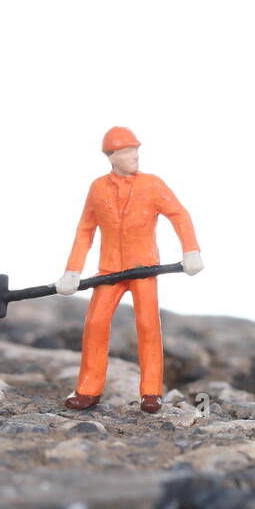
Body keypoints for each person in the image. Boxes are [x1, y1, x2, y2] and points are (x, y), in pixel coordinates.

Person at [57, 126, 203, 414]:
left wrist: (191, 251)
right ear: (111, 156)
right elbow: (85, 230)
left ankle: (151, 391)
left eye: (136, 149)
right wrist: (72, 271)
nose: (134, 156)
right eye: (126, 151)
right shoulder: (98, 188)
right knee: (95, 324)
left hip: (143, 269)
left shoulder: (152, 185)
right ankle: (88, 388)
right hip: (108, 270)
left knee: (148, 326)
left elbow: (179, 214)